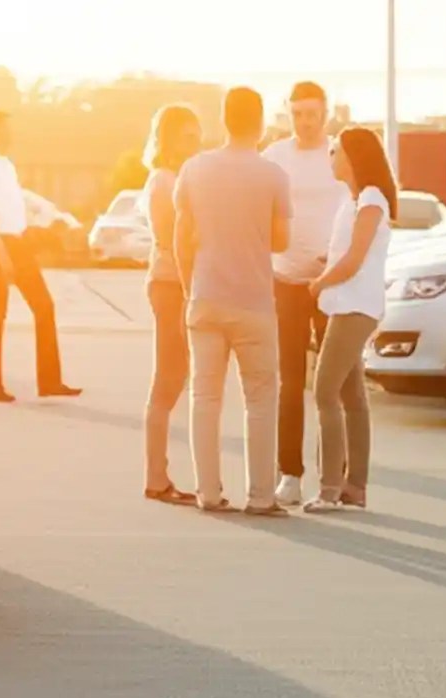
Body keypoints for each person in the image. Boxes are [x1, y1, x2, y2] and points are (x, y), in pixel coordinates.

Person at [173, 87, 290, 517]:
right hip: (254, 301)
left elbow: (180, 238)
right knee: (260, 398)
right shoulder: (273, 175)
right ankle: (261, 496)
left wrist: (190, 287)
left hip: (205, 295)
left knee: (205, 397)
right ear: (259, 123)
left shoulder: (194, 169)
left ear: (224, 121)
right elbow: (282, 240)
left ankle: (208, 492)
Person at [302, 127, 396, 513]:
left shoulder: (371, 198)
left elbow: (356, 258)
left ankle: (329, 489)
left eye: (336, 151)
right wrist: (327, 269)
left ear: (354, 156)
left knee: (325, 391)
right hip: (346, 303)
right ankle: (354, 487)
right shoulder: (353, 199)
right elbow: (350, 253)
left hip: (356, 307)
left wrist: (320, 282)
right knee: (352, 397)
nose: (331, 157)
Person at [263, 81, 347, 506]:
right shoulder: (274, 157)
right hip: (284, 281)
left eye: (311, 112)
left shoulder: (338, 154)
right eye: (297, 113)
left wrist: (336, 261)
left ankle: (336, 479)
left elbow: (356, 213)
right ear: (288, 113)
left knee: (334, 386)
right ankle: (289, 474)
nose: (305, 121)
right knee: (290, 381)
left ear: (325, 112)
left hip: (330, 282)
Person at [0, 110, 81, 403]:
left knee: (44, 306)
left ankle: (50, 381)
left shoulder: (5, 164)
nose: (10, 134)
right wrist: (3, 259)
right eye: (5, 128)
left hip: (17, 242)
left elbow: (14, 204)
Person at [140, 104, 203, 505]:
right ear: (167, 138)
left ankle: (158, 474)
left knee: (176, 377)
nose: (195, 142)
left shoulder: (177, 178)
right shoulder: (164, 181)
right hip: (170, 284)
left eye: (198, 134)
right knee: (168, 379)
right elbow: (171, 239)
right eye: (187, 135)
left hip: (177, 283)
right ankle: (156, 478)